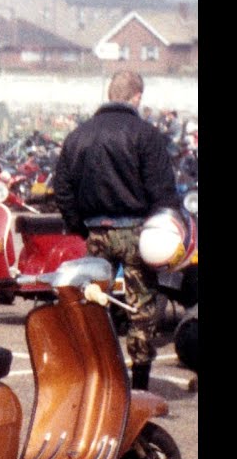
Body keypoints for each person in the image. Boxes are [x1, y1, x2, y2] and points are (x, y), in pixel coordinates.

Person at [54, 70, 180, 391]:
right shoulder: (146, 135)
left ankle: (100, 383)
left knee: (95, 307)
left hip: (95, 233)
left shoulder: (77, 136)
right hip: (138, 235)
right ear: (136, 96)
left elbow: (63, 190)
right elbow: (162, 191)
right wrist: (165, 230)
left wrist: (80, 227)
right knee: (142, 310)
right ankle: (139, 389)